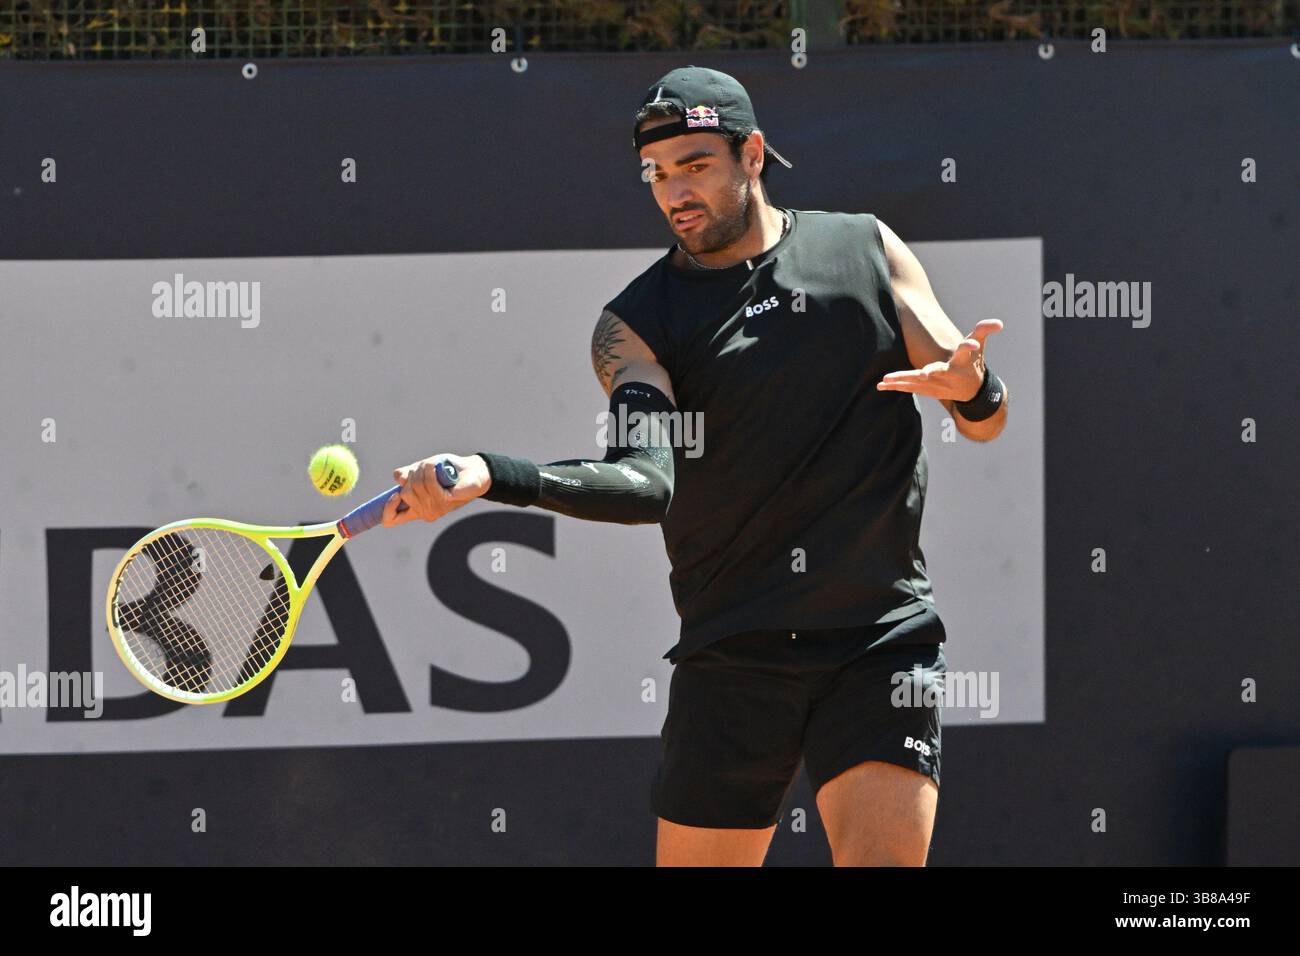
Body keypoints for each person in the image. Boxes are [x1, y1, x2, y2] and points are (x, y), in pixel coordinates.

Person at [381, 66, 1009, 866]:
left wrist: (975, 388)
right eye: (658, 173)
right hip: (733, 651)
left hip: (880, 638)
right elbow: (647, 486)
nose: (675, 190)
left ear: (752, 155)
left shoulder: (864, 249)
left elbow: (983, 417)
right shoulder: (635, 326)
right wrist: (490, 472)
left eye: (696, 165)